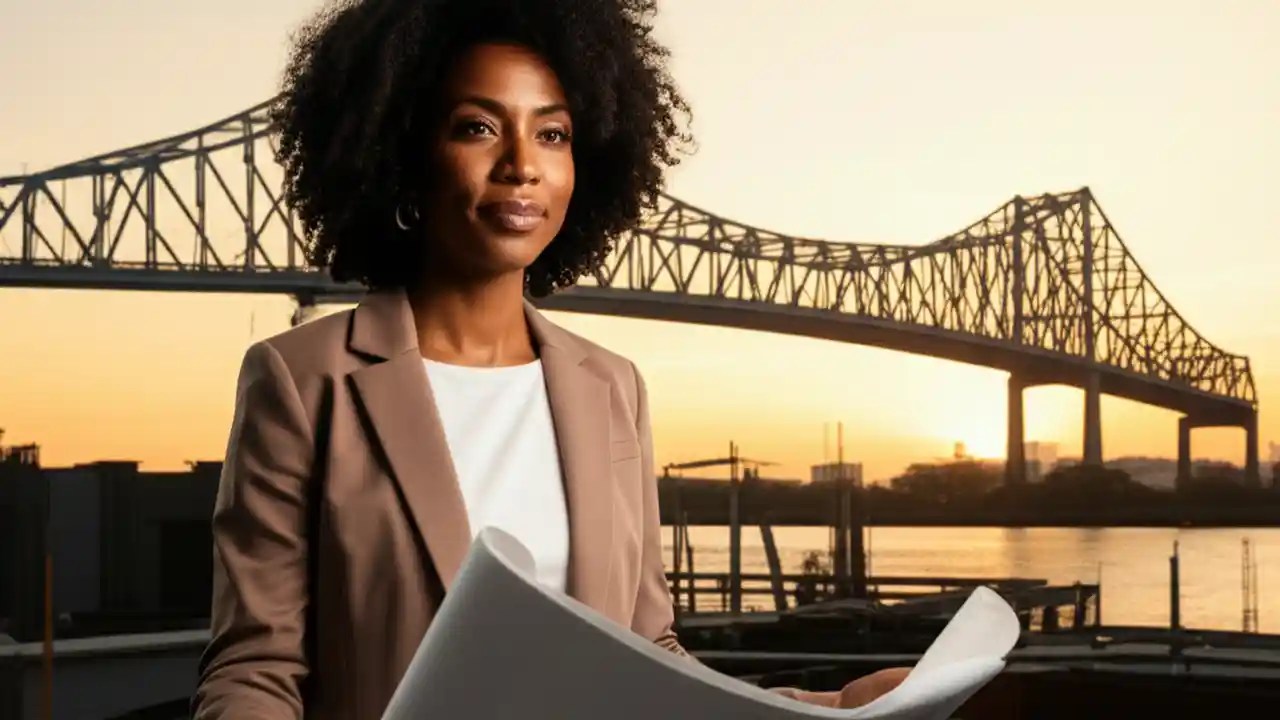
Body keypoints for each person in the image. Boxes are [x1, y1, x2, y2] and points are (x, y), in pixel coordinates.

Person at [191, 0, 907, 717]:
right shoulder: (301, 381)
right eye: (477, 128)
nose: (522, 166)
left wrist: (824, 708)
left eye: (553, 134)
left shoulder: (612, 387)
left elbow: (649, 660)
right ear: (402, 155)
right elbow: (256, 671)